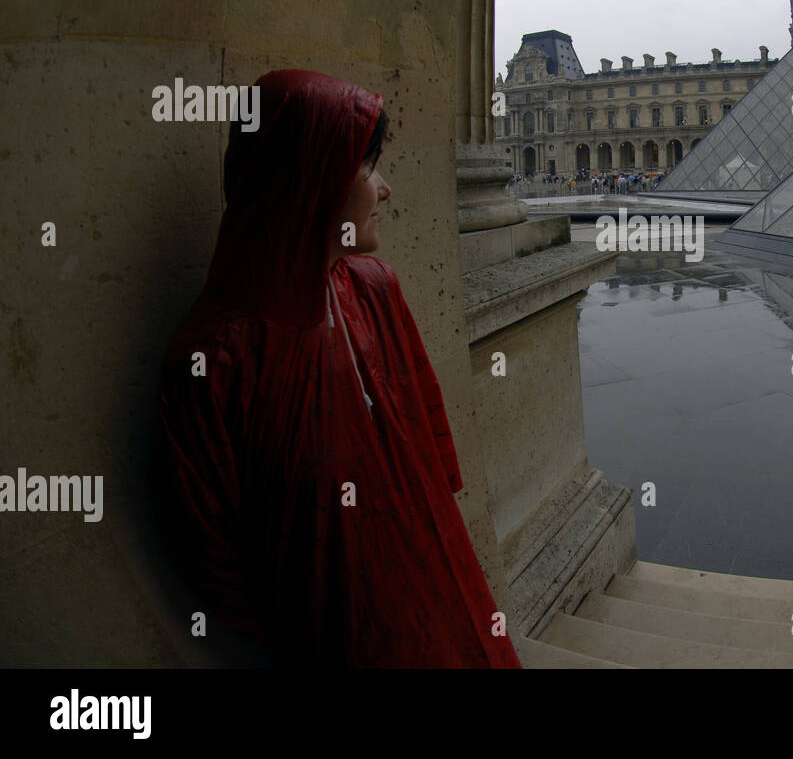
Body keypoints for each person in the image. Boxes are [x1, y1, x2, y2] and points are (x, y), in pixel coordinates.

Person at [154, 70, 521, 668]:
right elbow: (210, 553)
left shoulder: (375, 287)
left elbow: (430, 435)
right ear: (310, 180)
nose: (387, 189)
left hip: (439, 579)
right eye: (368, 167)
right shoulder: (213, 357)